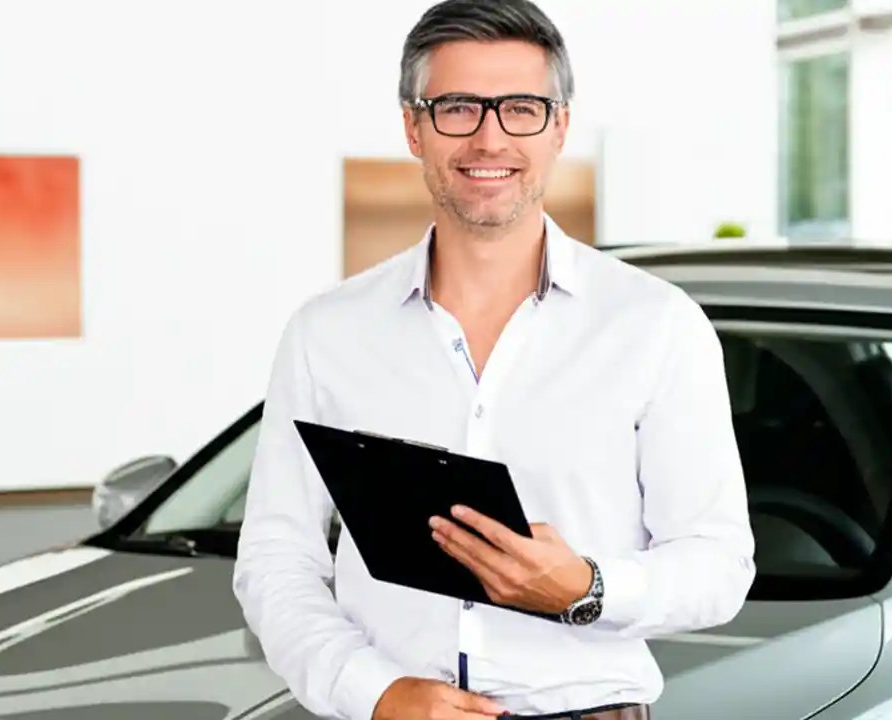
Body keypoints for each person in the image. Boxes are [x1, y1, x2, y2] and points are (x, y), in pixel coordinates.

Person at [232, 1, 757, 718]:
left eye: (521, 108)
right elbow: (275, 559)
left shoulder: (658, 327)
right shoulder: (326, 334)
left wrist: (587, 587)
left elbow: (718, 564)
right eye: (456, 108)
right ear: (413, 127)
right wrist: (370, 690)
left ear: (560, 126)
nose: (489, 138)